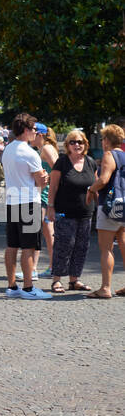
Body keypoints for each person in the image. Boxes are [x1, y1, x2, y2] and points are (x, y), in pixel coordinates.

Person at [1, 112, 50, 299]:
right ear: (26, 130)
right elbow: (40, 183)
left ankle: (12, 286)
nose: (35, 133)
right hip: (29, 201)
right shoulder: (30, 153)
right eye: (34, 130)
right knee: (29, 247)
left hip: (13, 200)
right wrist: (44, 178)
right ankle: (28, 288)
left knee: (12, 245)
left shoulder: (8, 149)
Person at [45, 130, 96, 293]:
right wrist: (50, 207)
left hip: (85, 213)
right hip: (64, 212)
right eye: (73, 142)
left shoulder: (90, 162)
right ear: (67, 145)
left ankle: (75, 280)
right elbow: (52, 186)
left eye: (80, 142)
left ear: (85, 144)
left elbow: (96, 186)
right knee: (63, 245)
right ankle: (56, 280)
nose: (77, 145)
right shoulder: (62, 162)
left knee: (81, 247)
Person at [86, 123, 125, 299]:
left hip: (110, 206)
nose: (102, 142)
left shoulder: (109, 155)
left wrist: (91, 189)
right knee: (124, 245)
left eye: (103, 138)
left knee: (106, 249)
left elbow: (103, 180)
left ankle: (105, 288)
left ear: (107, 140)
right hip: (124, 205)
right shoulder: (124, 155)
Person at [34, 123, 59, 276]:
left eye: (33, 131)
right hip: (45, 194)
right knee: (47, 233)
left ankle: (51, 266)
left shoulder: (46, 148)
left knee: (47, 233)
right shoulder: (42, 149)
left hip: (45, 195)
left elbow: (58, 169)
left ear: (40, 135)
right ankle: (51, 266)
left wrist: (48, 180)